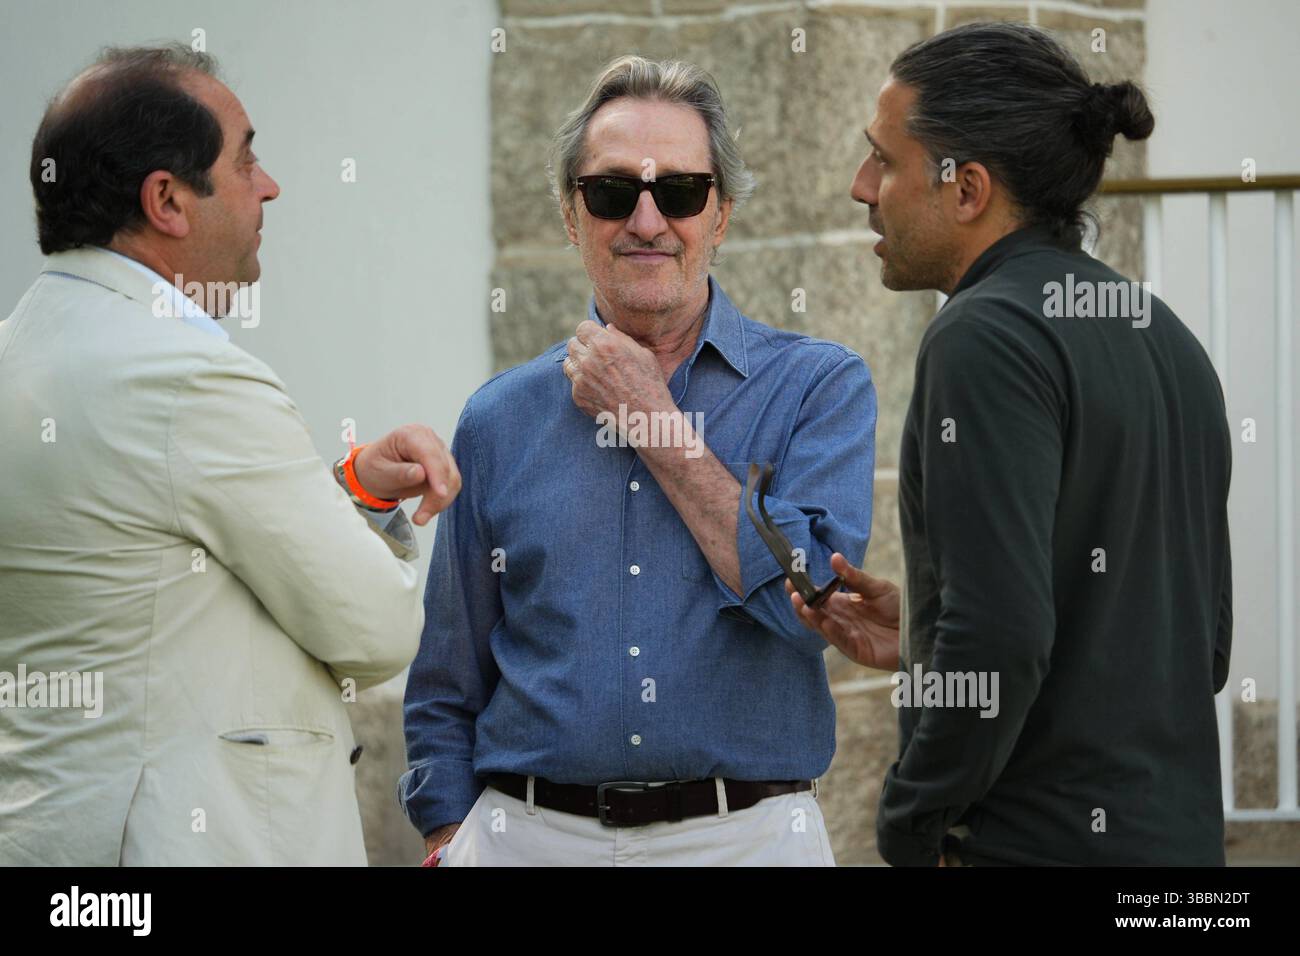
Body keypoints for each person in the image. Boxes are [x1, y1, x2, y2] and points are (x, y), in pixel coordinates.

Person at [401, 55, 876, 866]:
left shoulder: (818, 387)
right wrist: (449, 830)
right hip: (526, 840)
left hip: (747, 839)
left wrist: (653, 422)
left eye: (681, 193)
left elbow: (810, 604)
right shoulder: (496, 418)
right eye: (613, 192)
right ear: (570, 213)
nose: (647, 222)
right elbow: (448, 676)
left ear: (720, 215)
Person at [0, 45, 460, 865]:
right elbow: (373, 630)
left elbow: (160, 565)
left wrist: (350, 489)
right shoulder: (186, 373)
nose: (270, 184)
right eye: (244, 157)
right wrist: (369, 516)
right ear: (168, 200)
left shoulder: (19, 353)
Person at [792, 22, 1232, 866]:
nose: (860, 187)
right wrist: (926, 639)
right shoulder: (1164, 336)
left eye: (883, 160)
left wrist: (912, 819)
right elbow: (1199, 645)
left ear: (967, 190)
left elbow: (1002, 637)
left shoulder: (984, 335)